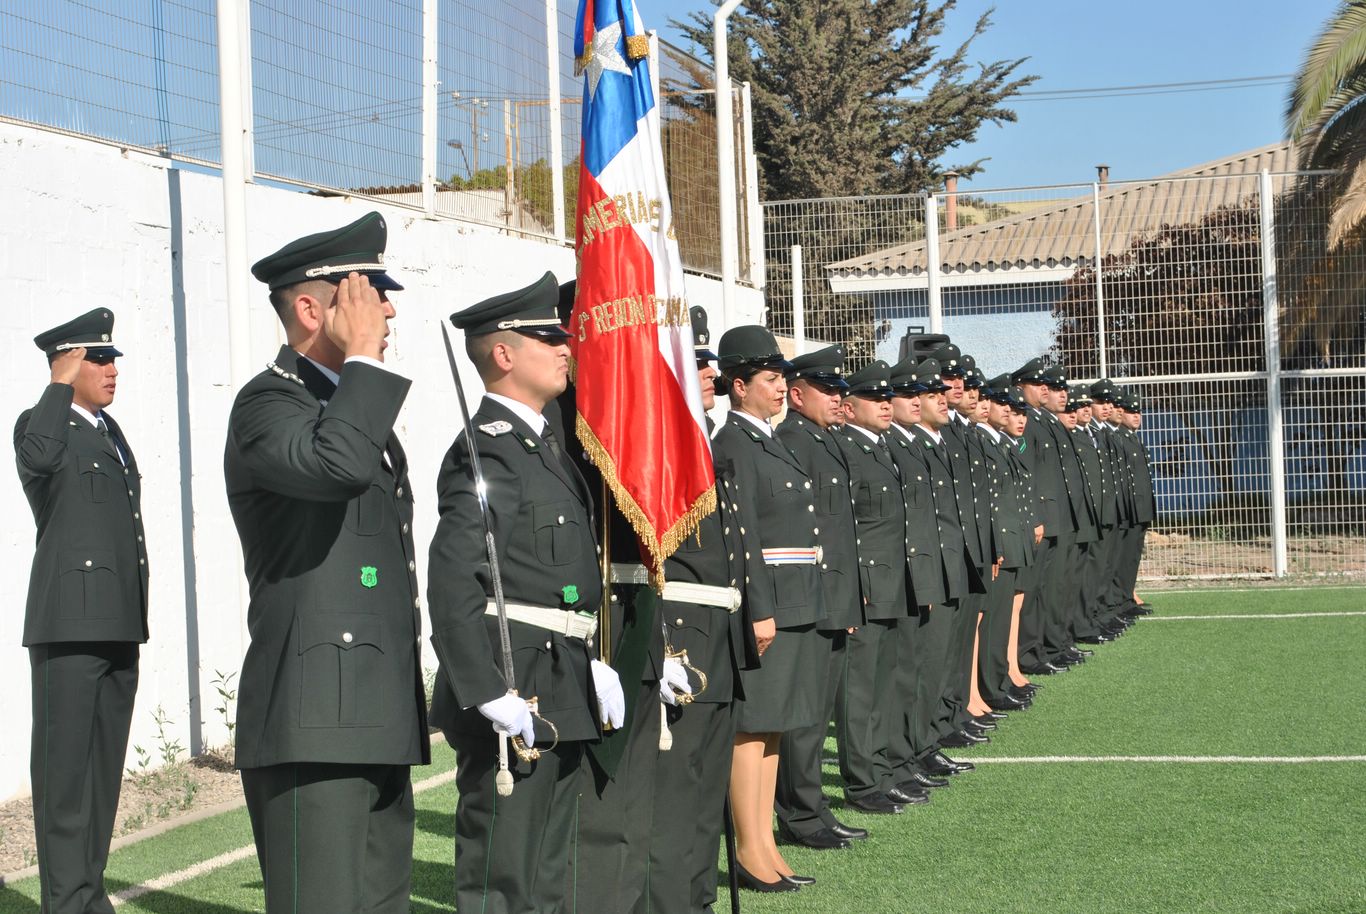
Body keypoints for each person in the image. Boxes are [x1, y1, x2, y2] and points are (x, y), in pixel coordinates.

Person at [225, 211, 428, 913]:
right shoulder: (267, 403)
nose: (387, 309)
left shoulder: (347, 405)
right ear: (314, 307)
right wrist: (365, 359)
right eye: (369, 291)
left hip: (376, 705)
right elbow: (336, 467)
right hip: (313, 713)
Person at [428, 270, 625, 913]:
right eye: (548, 337)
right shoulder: (486, 452)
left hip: (561, 674)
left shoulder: (544, 447)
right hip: (515, 681)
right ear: (505, 354)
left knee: (546, 869)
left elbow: (556, 577)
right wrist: (486, 691)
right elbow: (455, 578)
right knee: (503, 869)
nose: (565, 346)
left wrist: (591, 656)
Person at [17, 309, 148, 914]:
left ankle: (89, 895)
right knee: (65, 781)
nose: (111, 368)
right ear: (68, 361)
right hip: (69, 625)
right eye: (98, 357)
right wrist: (56, 386)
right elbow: (39, 460)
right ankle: (65, 904)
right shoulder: (41, 425)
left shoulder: (108, 431)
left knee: (100, 779)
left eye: (112, 357)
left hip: (119, 623)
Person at [712, 325, 825, 893]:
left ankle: (766, 843)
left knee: (774, 726)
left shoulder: (768, 438)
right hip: (768, 601)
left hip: (794, 596)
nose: (782, 388)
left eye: (782, 378)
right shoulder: (733, 442)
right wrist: (758, 607)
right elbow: (743, 536)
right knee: (751, 729)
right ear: (739, 385)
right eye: (770, 379)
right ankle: (749, 848)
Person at [773, 345, 873, 848]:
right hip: (813, 597)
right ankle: (800, 814)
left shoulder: (821, 438)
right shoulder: (793, 439)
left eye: (839, 390)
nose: (838, 398)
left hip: (834, 598)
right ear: (797, 393)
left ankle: (813, 808)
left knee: (816, 715)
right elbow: (811, 535)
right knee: (805, 718)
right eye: (827, 390)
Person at [833, 360, 927, 811]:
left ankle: (888, 766)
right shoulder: (847, 450)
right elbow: (845, 526)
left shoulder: (884, 447)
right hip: (869, 583)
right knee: (861, 688)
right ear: (849, 408)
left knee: (890, 680)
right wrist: (854, 584)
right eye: (874, 399)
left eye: (887, 398)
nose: (885, 405)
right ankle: (863, 781)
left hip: (895, 579)